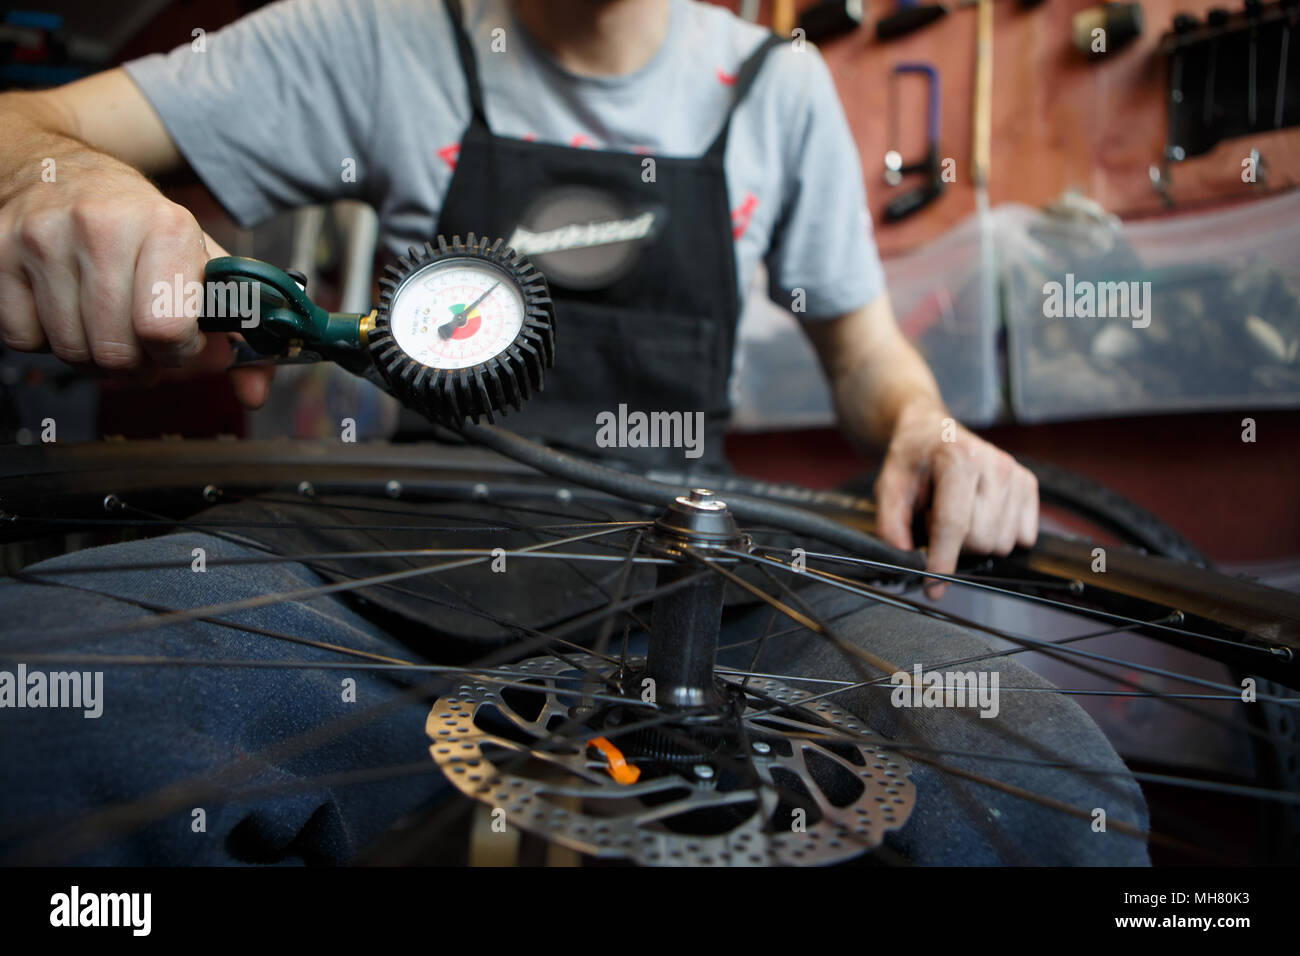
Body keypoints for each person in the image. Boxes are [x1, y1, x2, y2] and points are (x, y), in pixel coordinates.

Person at [0, 0, 1146, 865]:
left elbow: (865, 352)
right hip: (385, 553)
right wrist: (63, 178)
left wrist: (923, 423)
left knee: (1025, 778)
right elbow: (25, 119)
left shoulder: (776, 84)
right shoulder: (376, 31)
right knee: (43, 699)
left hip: (712, 569)